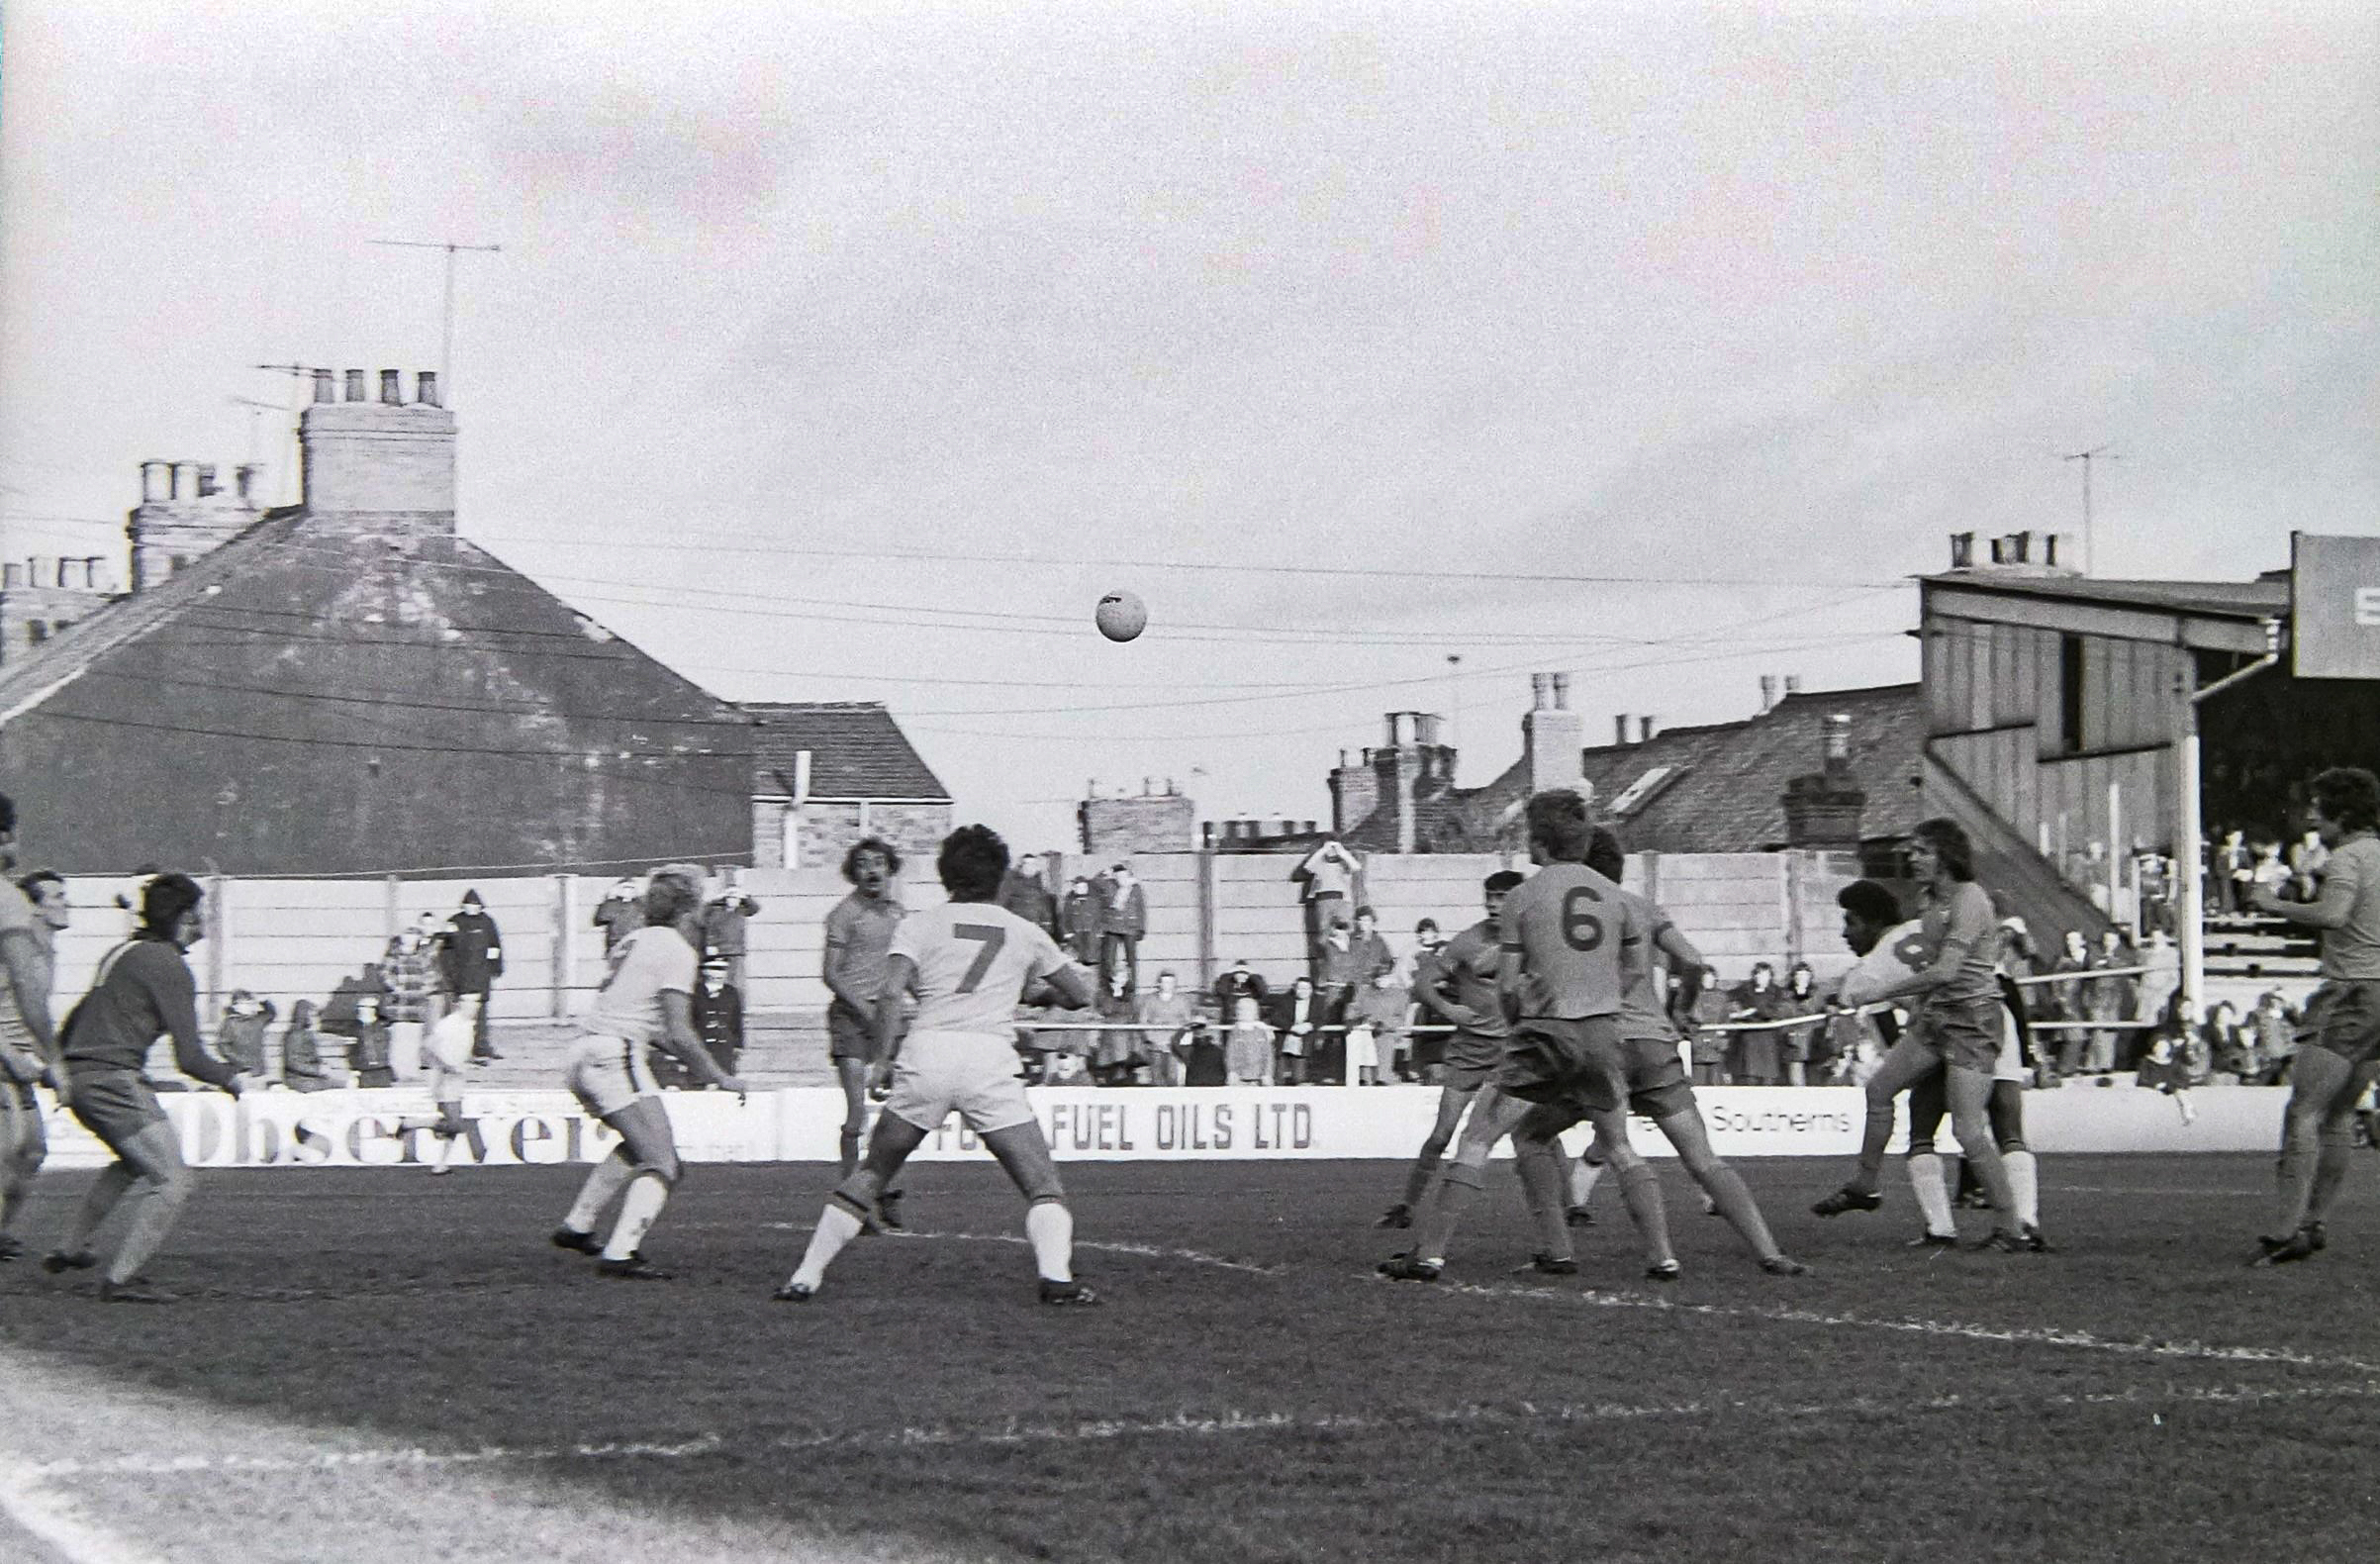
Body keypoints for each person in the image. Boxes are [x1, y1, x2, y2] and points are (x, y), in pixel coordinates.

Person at [776, 824, 1099, 1306]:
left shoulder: (918, 924)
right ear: (1001, 878)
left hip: (928, 1052)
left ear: (946, 876)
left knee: (873, 1171)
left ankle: (805, 1276)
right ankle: (1057, 1279)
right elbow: (1080, 995)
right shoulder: (1025, 931)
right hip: (989, 1057)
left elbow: (889, 993)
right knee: (1041, 1183)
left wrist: (882, 1060)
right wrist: (1038, 990)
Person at [1380, 789, 1670, 1284]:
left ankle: (1427, 1254)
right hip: (1601, 1035)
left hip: (1544, 1035)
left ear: (1538, 843)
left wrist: (1523, 1019)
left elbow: (1510, 985)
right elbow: (1635, 974)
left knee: (1477, 1137)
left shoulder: (1523, 897)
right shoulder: (1619, 899)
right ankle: (1661, 1257)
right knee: (1617, 1146)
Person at [1519, 829, 1807, 1278]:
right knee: (1704, 1160)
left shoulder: (1553, 912)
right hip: (1655, 1044)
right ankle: (1770, 1253)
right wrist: (1682, 1009)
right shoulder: (1639, 907)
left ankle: (1602, 1254)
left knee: (1538, 1137)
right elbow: (1693, 961)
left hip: (1602, 1044)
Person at [1811, 821, 2030, 1252]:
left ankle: (2012, 1228)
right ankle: (1865, 1186)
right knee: (1879, 1089)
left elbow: (1947, 971)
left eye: (1921, 851)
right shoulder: (1929, 899)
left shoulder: (1971, 900)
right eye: (1911, 850)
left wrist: (1880, 991)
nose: (1911, 858)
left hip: (1973, 1021)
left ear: (1946, 855)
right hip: (1938, 1015)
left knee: (1969, 1131)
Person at [45, 873, 253, 1303]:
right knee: (174, 1180)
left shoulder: (123, 952)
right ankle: (119, 1282)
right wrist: (232, 1078)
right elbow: (190, 1058)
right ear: (185, 917)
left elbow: (80, 1016)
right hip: (112, 1078)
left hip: (83, 1076)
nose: (205, 921)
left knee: (132, 1162)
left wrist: (63, 1071)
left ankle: (70, 1246)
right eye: (200, 912)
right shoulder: (169, 966)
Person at [550, 865, 751, 1279]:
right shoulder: (678, 950)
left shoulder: (633, 939)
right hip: (614, 1055)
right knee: (665, 1163)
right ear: (689, 907)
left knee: (638, 1144)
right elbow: (679, 1030)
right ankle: (620, 1253)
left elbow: (638, 1015)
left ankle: (579, 1225)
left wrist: (667, 1047)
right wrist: (720, 1075)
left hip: (583, 1051)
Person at [2247, 768, 2380, 1265]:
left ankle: (2285, 1231)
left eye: (2318, 806)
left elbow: (2333, 915)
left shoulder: (2347, 858)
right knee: (2341, 1114)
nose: (2309, 815)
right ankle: (2314, 1222)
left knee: (2304, 1110)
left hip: (2352, 992)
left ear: (2342, 815)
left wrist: (2271, 902)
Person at [1380, 871, 1522, 1228]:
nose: (1492, 903)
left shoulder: (1535, 941)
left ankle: (1571, 1211)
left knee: (1532, 1135)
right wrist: (1449, 1009)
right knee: (1442, 1134)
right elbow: (1422, 982)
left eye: (1502, 897)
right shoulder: (1467, 941)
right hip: (1470, 1049)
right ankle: (1406, 1207)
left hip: (1513, 1049)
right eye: (1489, 895)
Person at [821, 837, 907, 1223]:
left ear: (890, 868)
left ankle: (882, 1191)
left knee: (898, 1114)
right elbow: (830, 973)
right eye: (862, 864)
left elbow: (904, 969)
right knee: (857, 1115)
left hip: (886, 1019)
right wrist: (863, 1008)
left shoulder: (897, 914)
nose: (871, 870)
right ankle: (851, 1204)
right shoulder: (844, 914)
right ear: (853, 872)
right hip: (851, 1019)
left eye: (878, 863)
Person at [0, 864, 68, 1262]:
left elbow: (36, 1011)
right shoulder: (16, 946)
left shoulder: (45, 947)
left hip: (20, 1061)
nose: (66, 903)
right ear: (34, 907)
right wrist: (11, 1052)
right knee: (10, 1150)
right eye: (57, 897)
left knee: (33, 1151)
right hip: (5, 1055)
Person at [441, 889, 506, 1063]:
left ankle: (482, 1047)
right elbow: (446, 951)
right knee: (460, 1014)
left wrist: (495, 968)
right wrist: (450, 974)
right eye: (469, 905)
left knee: (481, 1014)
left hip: (481, 976)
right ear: (463, 906)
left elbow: (494, 946)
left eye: (475, 905)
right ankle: (460, 1050)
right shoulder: (454, 922)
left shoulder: (487, 922)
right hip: (460, 977)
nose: (472, 908)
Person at [378, 926, 438, 1079]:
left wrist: (425, 989)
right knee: (399, 1037)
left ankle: (411, 1070)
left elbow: (431, 976)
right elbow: (385, 974)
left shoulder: (423, 957)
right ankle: (397, 1070)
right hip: (399, 1004)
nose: (410, 940)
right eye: (407, 936)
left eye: (414, 937)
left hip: (417, 1004)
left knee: (414, 1037)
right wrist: (396, 987)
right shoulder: (393, 956)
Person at [1291, 840, 1364, 966]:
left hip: (1342, 900)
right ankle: (1326, 965)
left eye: (1334, 848)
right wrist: (1323, 850)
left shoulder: (1343, 863)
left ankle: (1347, 962)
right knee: (1324, 935)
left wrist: (1341, 851)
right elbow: (1307, 867)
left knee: (1346, 931)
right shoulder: (1320, 863)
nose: (1332, 851)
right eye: (1330, 848)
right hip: (1323, 900)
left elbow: (1356, 867)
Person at [1133, 969, 1198, 1088]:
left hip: (1174, 1045)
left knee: (1173, 1077)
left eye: (1171, 982)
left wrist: (1178, 1040)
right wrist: (1152, 1039)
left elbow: (1188, 1022)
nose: (1168, 985)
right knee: (1156, 1076)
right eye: (1165, 982)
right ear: (1159, 984)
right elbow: (1142, 1022)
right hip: (1155, 1044)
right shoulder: (1149, 1001)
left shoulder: (1182, 1001)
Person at [1726, 962, 1788, 1086]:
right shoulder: (1744, 991)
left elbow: (1776, 1012)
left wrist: (1754, 1010)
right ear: (1754, 976)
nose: (1761, 978)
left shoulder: (1777, 993)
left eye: (1765, 975)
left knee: (1768, 1080)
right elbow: (1730, 1003)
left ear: (1770, 976)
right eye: (1759, 974)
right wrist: (1738, 1013)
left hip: (1769, 1042)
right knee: (1750, 1078)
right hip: (1749, 1042)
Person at [700, 878, 761, 995]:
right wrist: (717, 898)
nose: (733, 900)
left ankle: (738, 1009)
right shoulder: (716, 911)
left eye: (736, 898)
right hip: (719, 951)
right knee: (718, 983)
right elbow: (705, 918)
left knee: (737, 985)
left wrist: (745, 896)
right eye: (730, 897)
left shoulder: (741, 911)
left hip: (737, 952)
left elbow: (755, 908)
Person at [694, 955, 744, 1082]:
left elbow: (736, 1021)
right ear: (705, 970)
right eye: (715, 968)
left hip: (724, 1049)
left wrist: (737, 1046)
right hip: (701, 1048)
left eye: (723, 969)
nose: (719, 972)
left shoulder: (731, 993)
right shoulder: (695, 992)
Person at [1269, 975, 1324, 1086]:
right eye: (1300, 988)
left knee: (1299, 1077)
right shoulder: (1284, 1000)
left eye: (1306, 988)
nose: (1303, 991)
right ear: (1295, 988)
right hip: (1284, 1040)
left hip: (1303, 1042)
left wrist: (1310, 1025)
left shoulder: (1318, 1002)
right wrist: (1291, 1027)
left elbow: (1322, 1018)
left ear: (1311, 990)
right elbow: (1275, 1017)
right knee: (1279, 1076)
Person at [279, 1000, 339, 1092]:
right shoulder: (297, 1035)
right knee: (339, 1085)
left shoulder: (306, 1033)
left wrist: (322, 1066)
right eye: (313, 1015)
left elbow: (309, 1057)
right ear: (305, 1016)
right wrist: (318, 1069)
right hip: (297, 1079)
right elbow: (294, 1063)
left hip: (307, 1076)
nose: (317, 1019)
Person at [216, 990, 277, 1080]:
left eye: (251, 1003)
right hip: (239, 1071)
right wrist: (239, 1061)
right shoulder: (230, 1023)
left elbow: (271, 1014)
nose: (250, 1006)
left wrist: (265, 1002)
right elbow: (222, 1046)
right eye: (246, 1003)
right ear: (236, 1006)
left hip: (259, 1070)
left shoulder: (257, 1020)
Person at [1223, 994, 1274, 1085]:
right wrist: (1231, 1072)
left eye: (1249, 1010)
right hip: (1240, 1077)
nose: (1244, 1013)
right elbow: (1230, 1054)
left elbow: (1268, 1055)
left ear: (1255, 1012)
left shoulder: (1261, 1032)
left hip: (1259, 1077)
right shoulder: (1235, 1033)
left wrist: (1267, 1073)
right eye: (1241, 1010)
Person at [1059, 876, 1101, 966]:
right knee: (1077, 963)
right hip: (1076, 936)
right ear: (1074, 888)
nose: (1082, 889)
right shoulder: (1070, 902)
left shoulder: (1094, 901)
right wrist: (1068, 933)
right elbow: (1064, 918)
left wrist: (1098, 933)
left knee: (1091, 962)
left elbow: (1099, 918)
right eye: (1079, 887)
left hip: (1091, 937)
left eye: (1084, 887)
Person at [593, 878, 642, 955]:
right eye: (625, 887)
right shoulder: (611, 904)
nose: (628, 890)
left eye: (632, 888)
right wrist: (608, 897)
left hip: (636, 946)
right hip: (616, 946)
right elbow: (599, 919)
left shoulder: (641, 905)